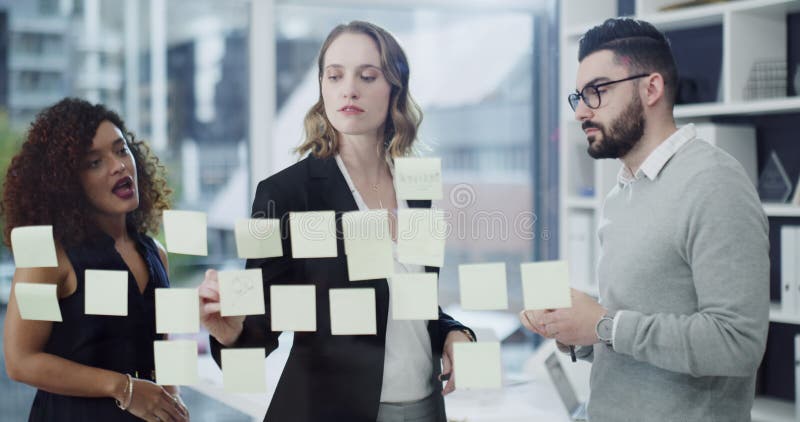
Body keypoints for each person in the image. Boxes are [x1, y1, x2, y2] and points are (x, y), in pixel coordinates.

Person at [198, 21, 475, 422]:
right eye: (335, 75)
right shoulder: (283, 195)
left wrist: (453, 331)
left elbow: (410, 302)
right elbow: (258, 333)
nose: (349, 88)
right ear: (322, 88)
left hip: (425, 408)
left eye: (367, 75)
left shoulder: (419, 187)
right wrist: (229, 333)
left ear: (395, 88)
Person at [520, 18, 769, 421]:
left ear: (651, 88)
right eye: (578, 96)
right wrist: (572, 328)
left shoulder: (715, 184)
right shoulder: (621, 194)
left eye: (597, 92)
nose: (581, 110)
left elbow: (737, 344)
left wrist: (603, 326)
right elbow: (628, 329)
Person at [2, 98, 189, 422]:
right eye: (94, 162)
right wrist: (124, 388)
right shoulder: (47, 254)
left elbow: (165, 345)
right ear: (66, 182)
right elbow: (21, 361)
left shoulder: (155, 253)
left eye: (121, 150)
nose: (118, 165)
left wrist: (173, 401)